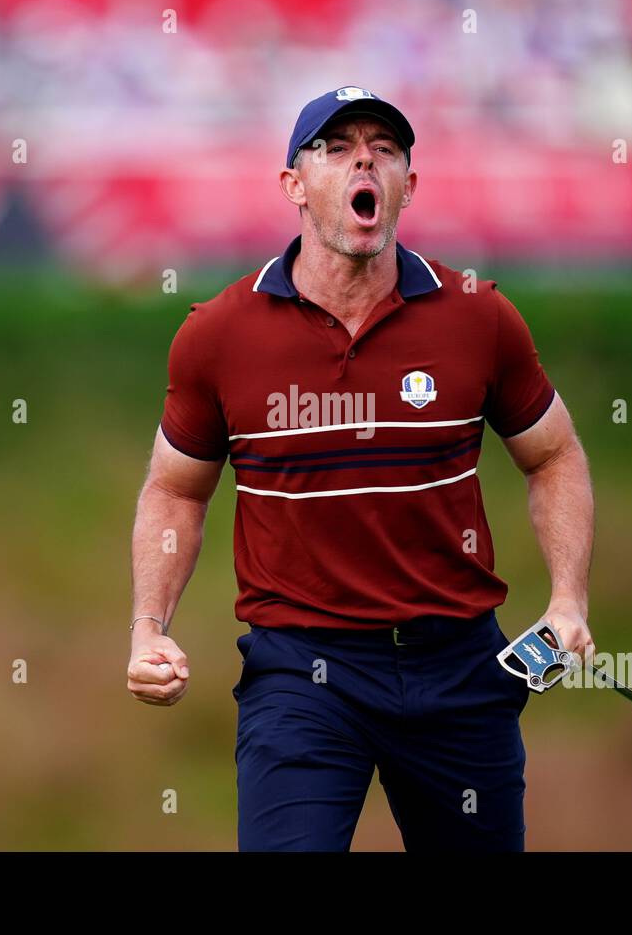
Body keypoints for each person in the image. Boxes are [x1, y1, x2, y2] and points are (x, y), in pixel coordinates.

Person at [127, 86, 595, 851]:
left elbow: (555, 456)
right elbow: (175, 490)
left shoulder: (479, 316)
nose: (364, 159)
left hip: (459, 668)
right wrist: (149, 627)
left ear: (408, 183)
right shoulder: (219, 334)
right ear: (293, 185)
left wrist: (568, 599)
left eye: (384, 147)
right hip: (303, 674)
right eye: (337, 147)